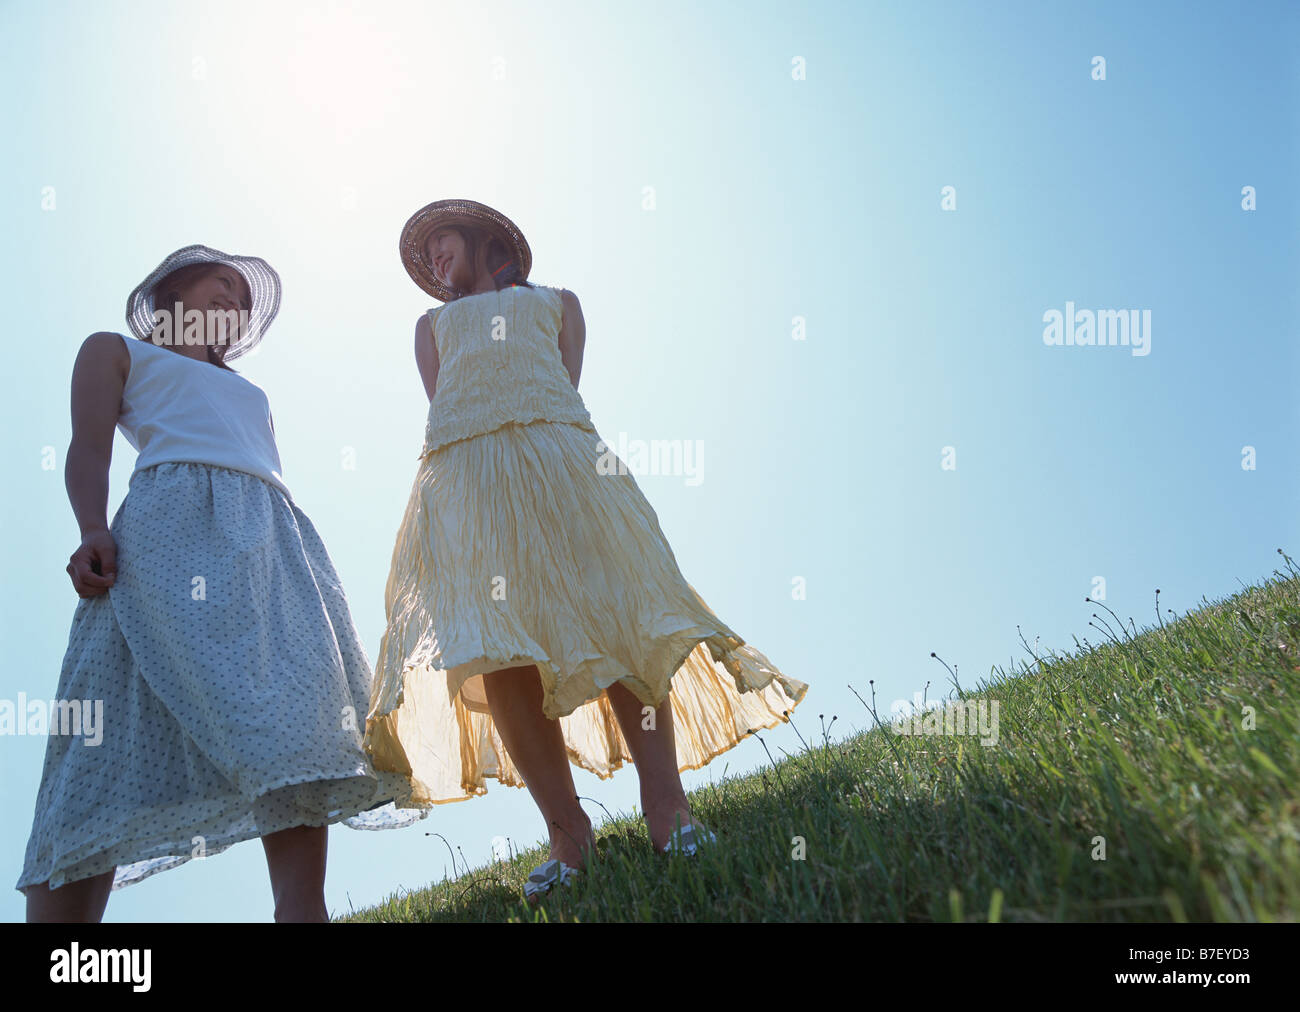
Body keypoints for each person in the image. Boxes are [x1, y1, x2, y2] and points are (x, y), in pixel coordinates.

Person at [365, 199, 808, 900]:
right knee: (496, 649)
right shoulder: (430, 327)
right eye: (427, 255)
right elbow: (447, 406)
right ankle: (568, 836)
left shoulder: (559, 304)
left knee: (621, 619)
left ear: (483, 240)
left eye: (442, 242)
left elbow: (563, 386)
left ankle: (668, 810)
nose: (435, 258)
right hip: (467, 487)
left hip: (564, 466)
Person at [16, 244, 422, 923]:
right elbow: (88, 447)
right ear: (174, 291)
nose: (233, 301)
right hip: (165, 542)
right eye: (220, 284)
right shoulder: (115, 350)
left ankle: (301, 911)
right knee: (106, 730)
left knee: (295, 720)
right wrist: (91, 527)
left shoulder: (252, 395)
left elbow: (258, 466)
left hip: (268, 543)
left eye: (241, 298)